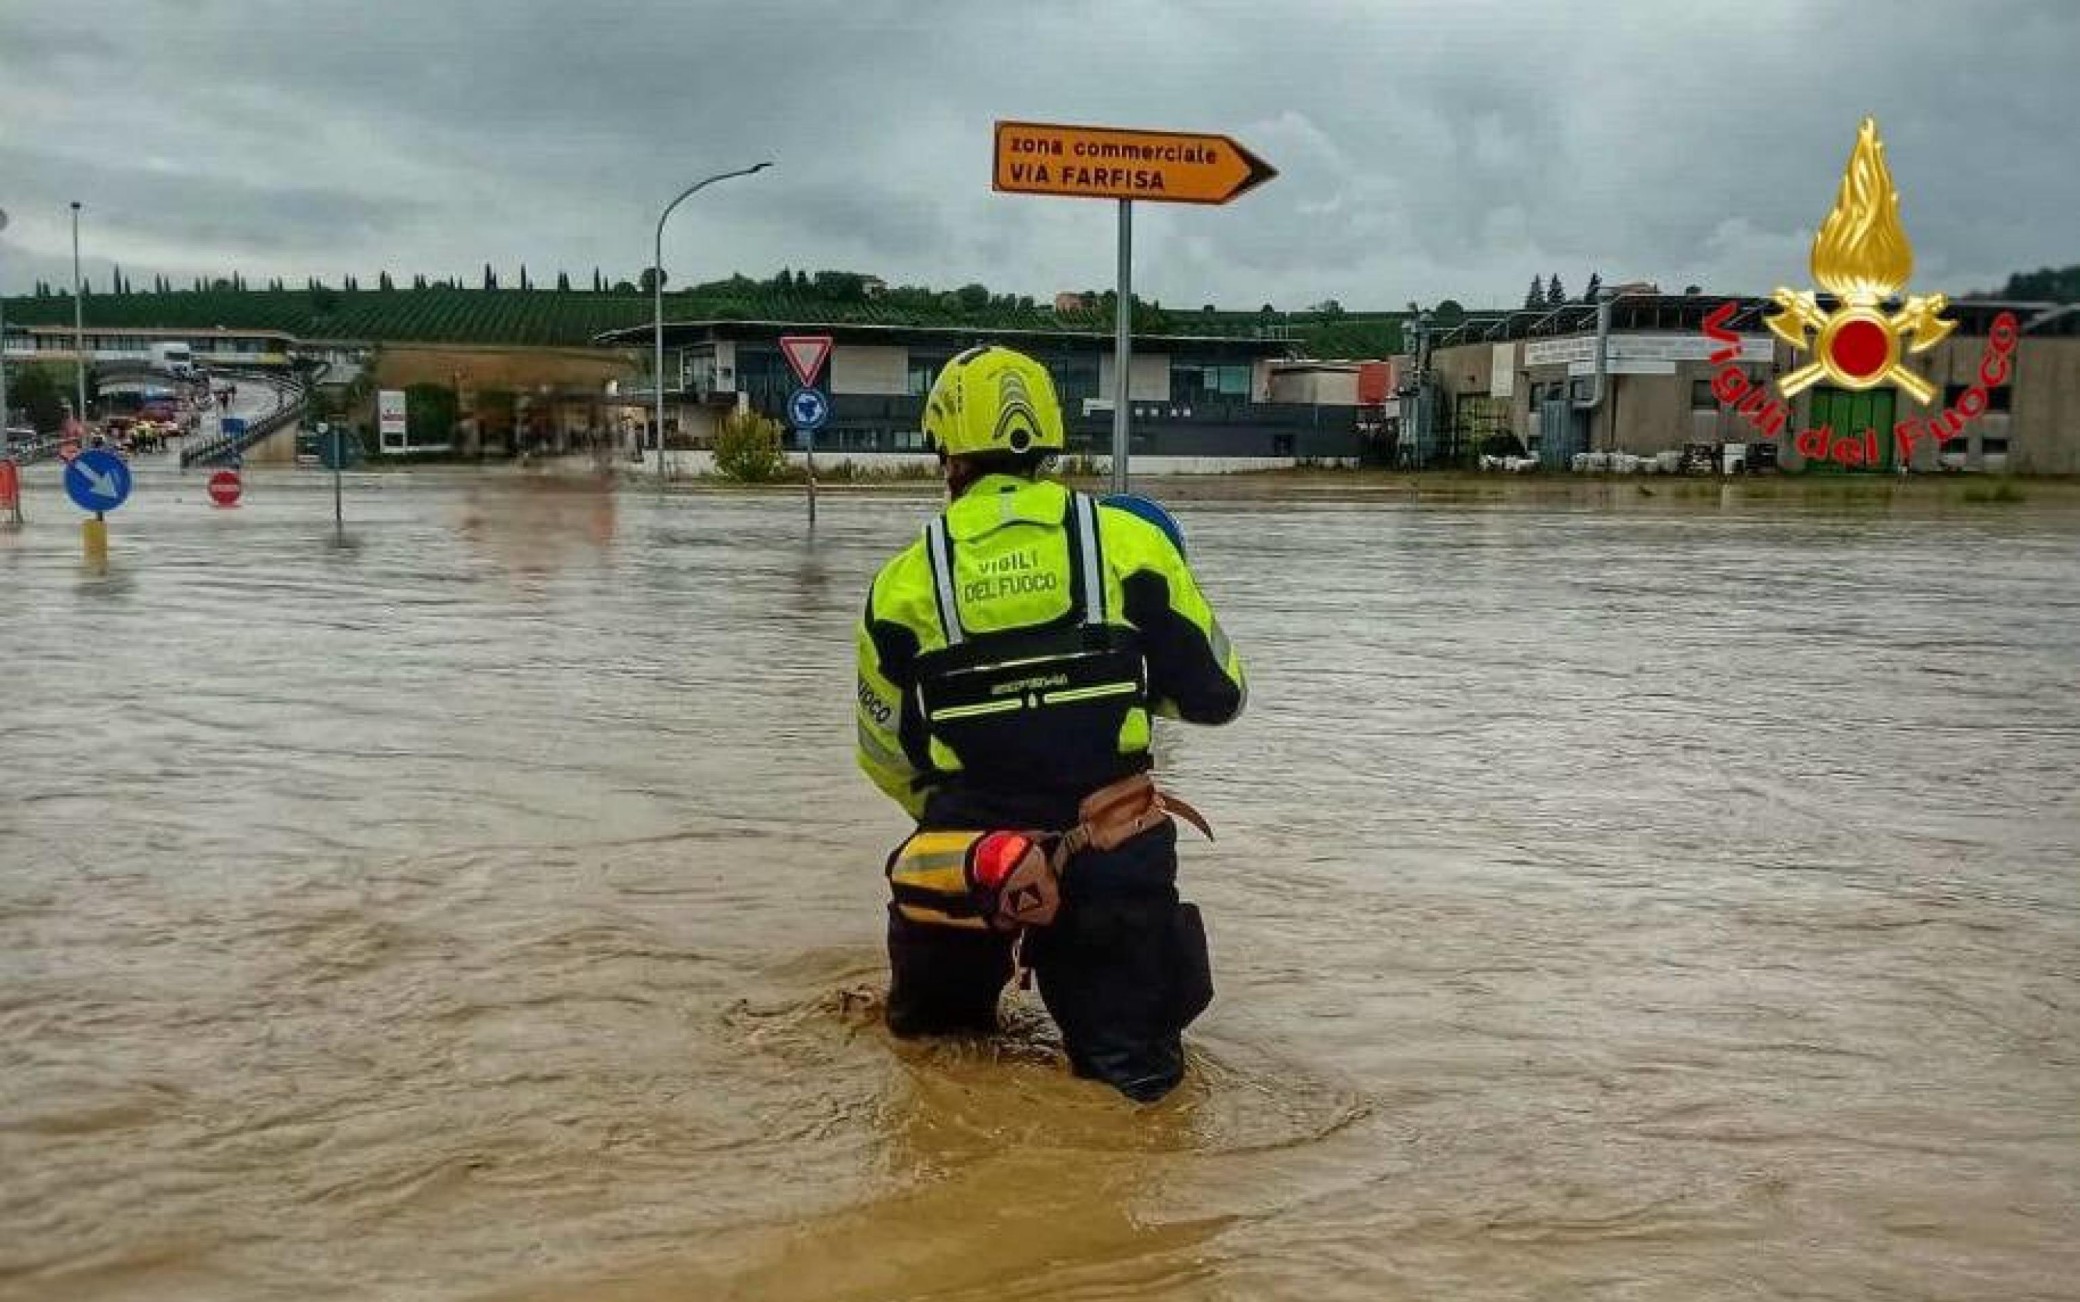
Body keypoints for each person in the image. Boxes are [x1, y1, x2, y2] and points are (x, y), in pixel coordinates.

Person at [855, 344, 1247, 1102]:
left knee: (939, 1072)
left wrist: (955, 820)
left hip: (964, 862)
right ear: (1053, 434)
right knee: (1137, 1092)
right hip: (1113, 857)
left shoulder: (900, 584)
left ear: (944, 446)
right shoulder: (1133, 547)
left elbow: (884, 753)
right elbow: (1217, 696)